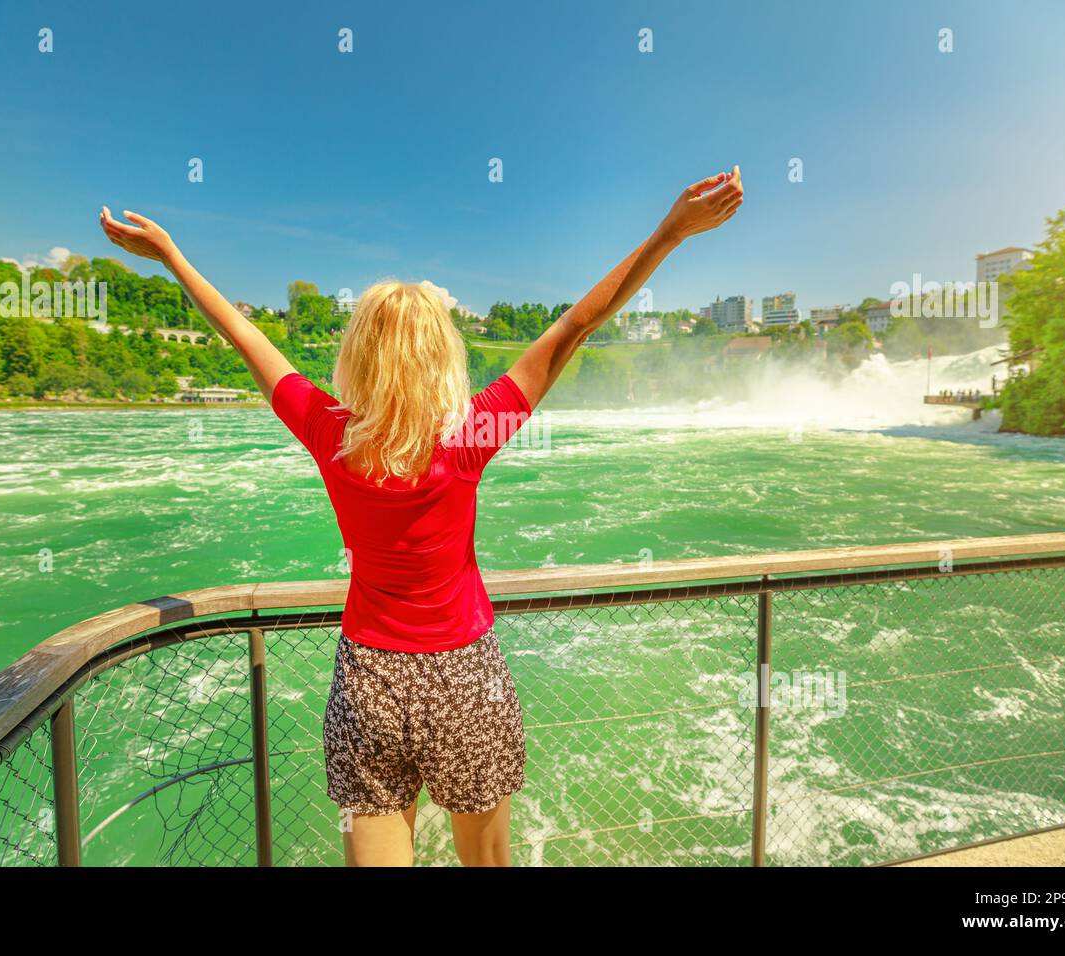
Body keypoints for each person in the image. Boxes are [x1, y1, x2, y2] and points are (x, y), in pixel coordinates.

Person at [98, 166, 744, 866]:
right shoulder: (467, 438)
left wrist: (174, 259)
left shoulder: (331, 434)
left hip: (368, 677)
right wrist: (667, 235)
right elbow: (577, 325)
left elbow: (246, 340)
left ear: (359, 354)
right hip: (465, 675)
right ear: (443, 355)